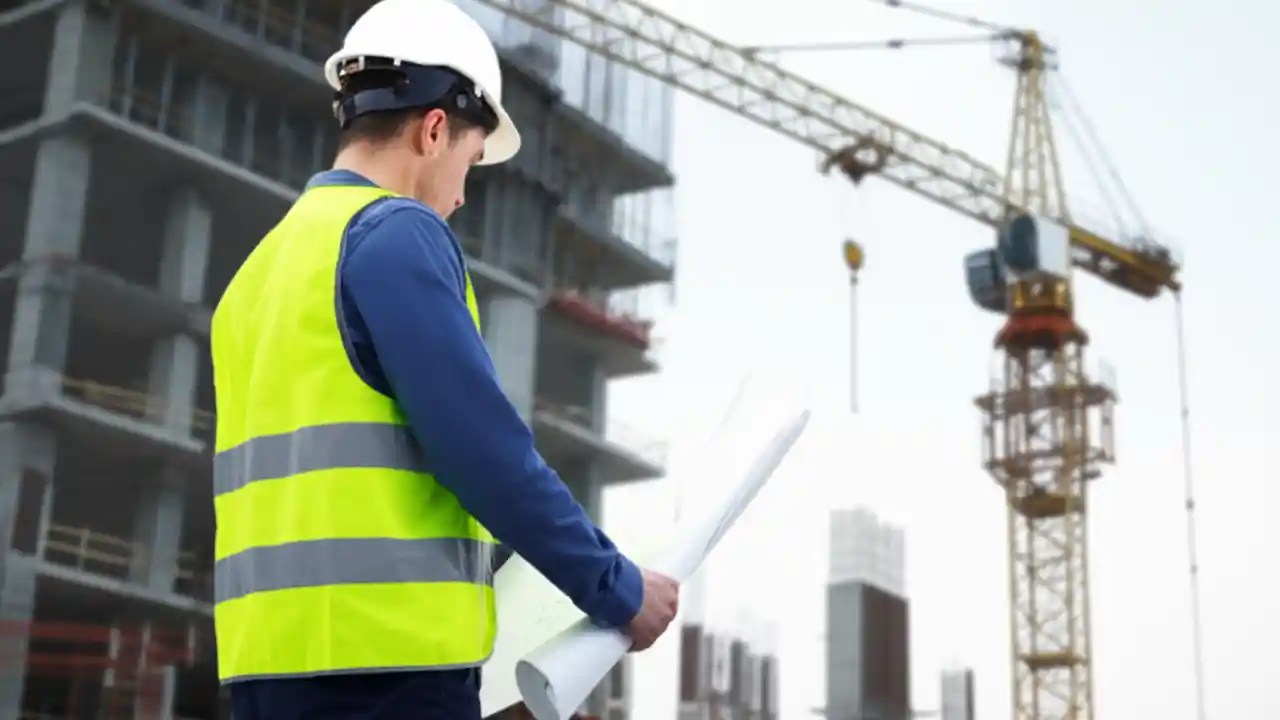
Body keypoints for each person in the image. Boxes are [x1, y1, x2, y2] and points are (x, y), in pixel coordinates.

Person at [208, 1, 679, 717]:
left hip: (262, 672)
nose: (460, 197)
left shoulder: (254, 278)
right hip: (390, 673)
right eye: (468, 162)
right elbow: (483, 452)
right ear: (434, 130)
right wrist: (619, 588)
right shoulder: (395, 233)